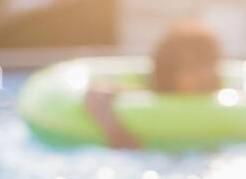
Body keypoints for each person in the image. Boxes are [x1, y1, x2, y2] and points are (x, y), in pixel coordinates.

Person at [85, 22, 222, 148]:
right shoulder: (152, 95)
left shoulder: (225, 98)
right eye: (192, 67)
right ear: (169, 73)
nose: (205, 76)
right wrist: (116, 132)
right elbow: (96, 94)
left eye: (210, 65)